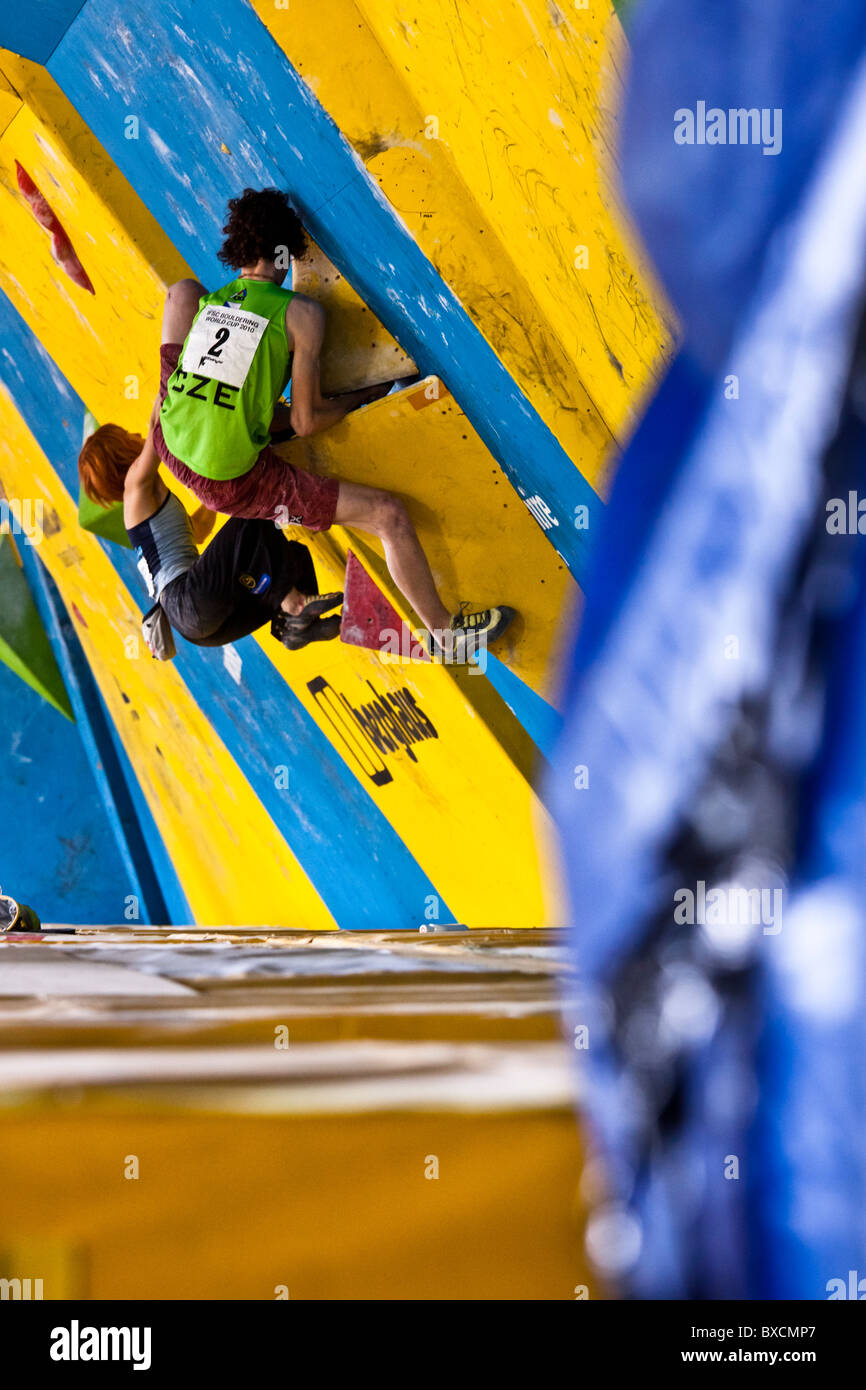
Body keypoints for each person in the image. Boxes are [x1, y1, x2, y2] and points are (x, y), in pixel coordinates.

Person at [79, 187, 514, 662]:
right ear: (289, 254)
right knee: (387, 516)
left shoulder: (209, 306)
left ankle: (291, 606)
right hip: (224, 481)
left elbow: (284, 424)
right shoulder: (303, 315)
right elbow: (307, 422)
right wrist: (359, 399)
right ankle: (443, 636)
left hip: (173, 443)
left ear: (239, 251)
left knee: (184, 298)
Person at [78, 423, 342, 653]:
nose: (134, 433)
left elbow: (199, 530)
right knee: (257, 507)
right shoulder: (135, 488)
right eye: (125, 435)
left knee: (293, 556)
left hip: (201, 628)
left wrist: (225, 493)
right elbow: (157, 430)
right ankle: (294, 605)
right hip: (188, 600)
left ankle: (296, 627)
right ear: (119, 451)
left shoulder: (145, 505)